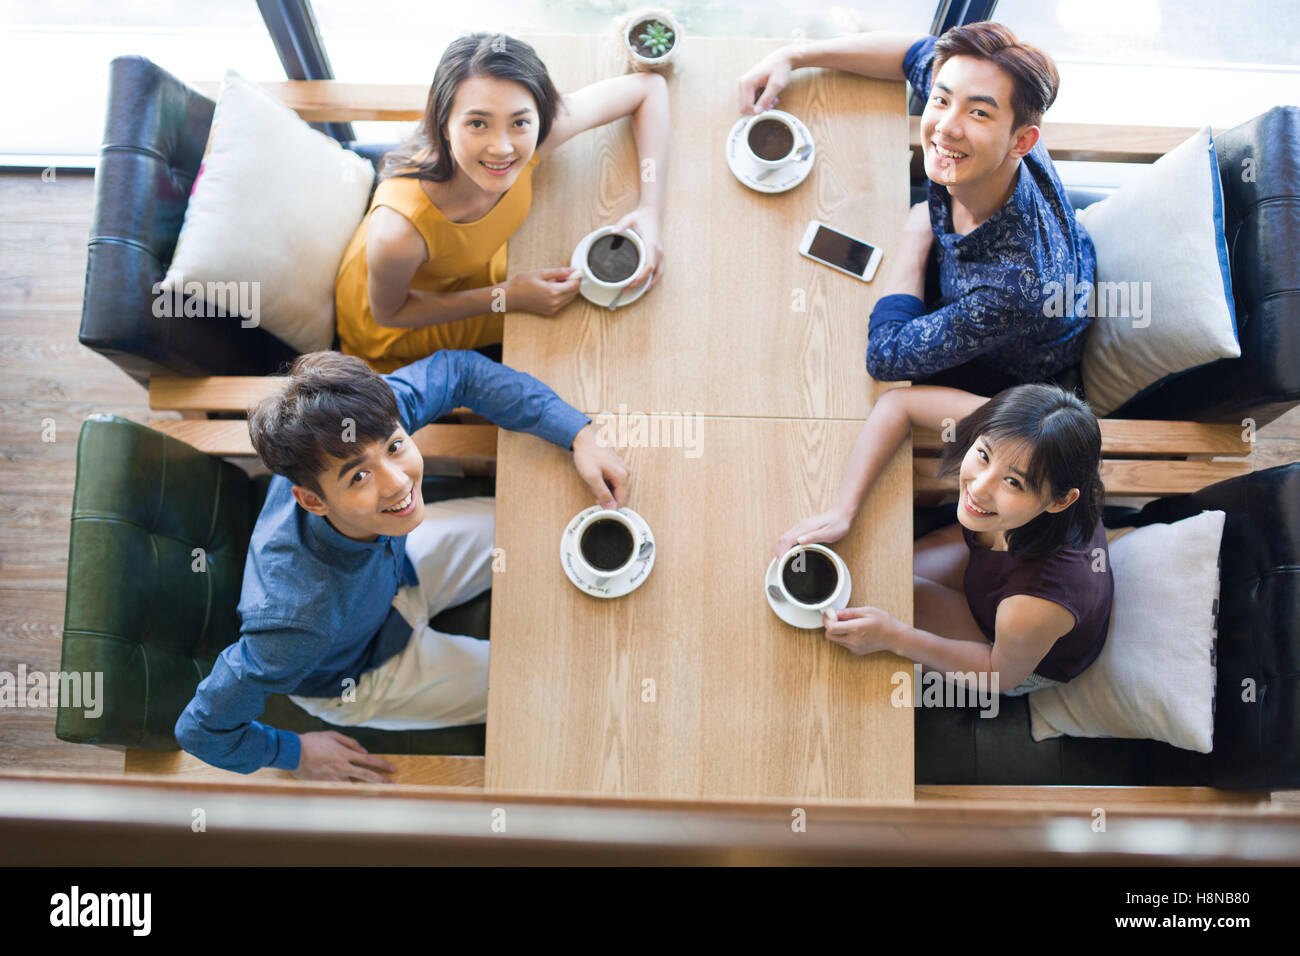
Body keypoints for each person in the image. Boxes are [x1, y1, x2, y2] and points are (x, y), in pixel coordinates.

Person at [174, 350, 630, 782]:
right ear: (312, 500)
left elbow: (459, 371)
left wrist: (578, 434)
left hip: (398, 569)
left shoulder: (360, 426)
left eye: (395, 447)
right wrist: (292, 752)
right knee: (552, 680)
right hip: (364, 673)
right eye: (358, 476)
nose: (397, 484)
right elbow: (200, 732)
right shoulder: (291, 625)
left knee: (549, 527)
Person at [738, 23, 1097, 388]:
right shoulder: (979, 123)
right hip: (995, 276)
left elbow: (885, 356)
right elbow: (911, 53)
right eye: (941, 100)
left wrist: (917, 234)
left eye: (979, 114)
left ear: (1021, 142)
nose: (946, 127)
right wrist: (792, 57)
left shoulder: (1018, 285)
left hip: (1007, 362)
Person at [336, 32, 670, 373]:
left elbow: (648, 89)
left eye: (519, 122)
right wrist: (505, 297)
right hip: (399, 316)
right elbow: (389, 313)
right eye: (478, 123)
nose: (503, 148)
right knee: (574, 323)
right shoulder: (397, 233)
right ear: (444, 125)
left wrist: (650, 211)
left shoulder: (538, 133)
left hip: (473, 266)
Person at [776, 384, 1111, 696]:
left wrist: (894, 638)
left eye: (1013, 482)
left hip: (1016, 651)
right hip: (997, 554)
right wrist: (842, 510)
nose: (978, 488)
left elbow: (1000, 675)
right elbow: (899, 403)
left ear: (1061, 501)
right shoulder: (1020, 432)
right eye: (983, 455)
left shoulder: (1036, 604)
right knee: (873, 578)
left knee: (868, 606)